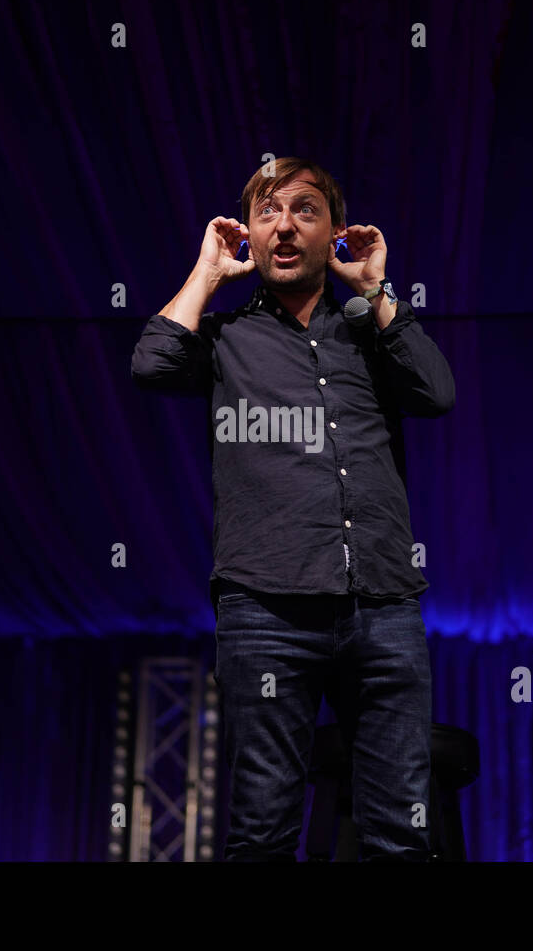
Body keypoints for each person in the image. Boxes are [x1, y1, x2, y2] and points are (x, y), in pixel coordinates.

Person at [130, 157, 455, 860]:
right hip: (266, 612)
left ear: (334, 232)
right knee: (262, 834)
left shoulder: (370, 334)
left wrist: (376, 289)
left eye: (304, 210)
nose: (284, 226)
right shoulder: (225, 342)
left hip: (384, 607)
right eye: (267, 212)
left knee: (401, 834)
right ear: (246, 233)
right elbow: (152, 362)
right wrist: (209, 274)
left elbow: (435, 393)